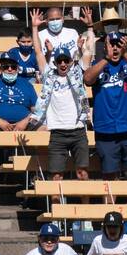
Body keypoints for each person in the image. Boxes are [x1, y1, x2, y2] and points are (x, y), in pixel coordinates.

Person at [84, 30, 127, 180]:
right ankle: (110, 205)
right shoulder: (98, 65)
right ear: (105, 47)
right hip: (106, 130)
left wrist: (126, 53)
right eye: (112, 45)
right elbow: (87, 79)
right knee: (109, 176)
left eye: (119, 45)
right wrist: (106, 58)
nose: (115, 48)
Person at [30, 45, 90, 182]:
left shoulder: (77, 73)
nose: (63, 64)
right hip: (57, 133)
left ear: (71, 61)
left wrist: (89, 30)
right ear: (55, 63)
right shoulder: (48, 76)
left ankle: (84, 203)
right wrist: (34, 27)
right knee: (56, 176)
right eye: (59, 61)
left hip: (78, 130)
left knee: (83, 173)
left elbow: (87, 55)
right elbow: (38, 52)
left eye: (66, 60)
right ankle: (56, 204)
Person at [0, 55, 37, 175]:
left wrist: (25, 121)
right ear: (0, 68)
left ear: (17, 68)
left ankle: (39, 171)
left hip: (25, 122)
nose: (9, 69)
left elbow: (37, 109)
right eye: (6, 66)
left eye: (13, 67)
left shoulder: (27, 84)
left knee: (44, 129)